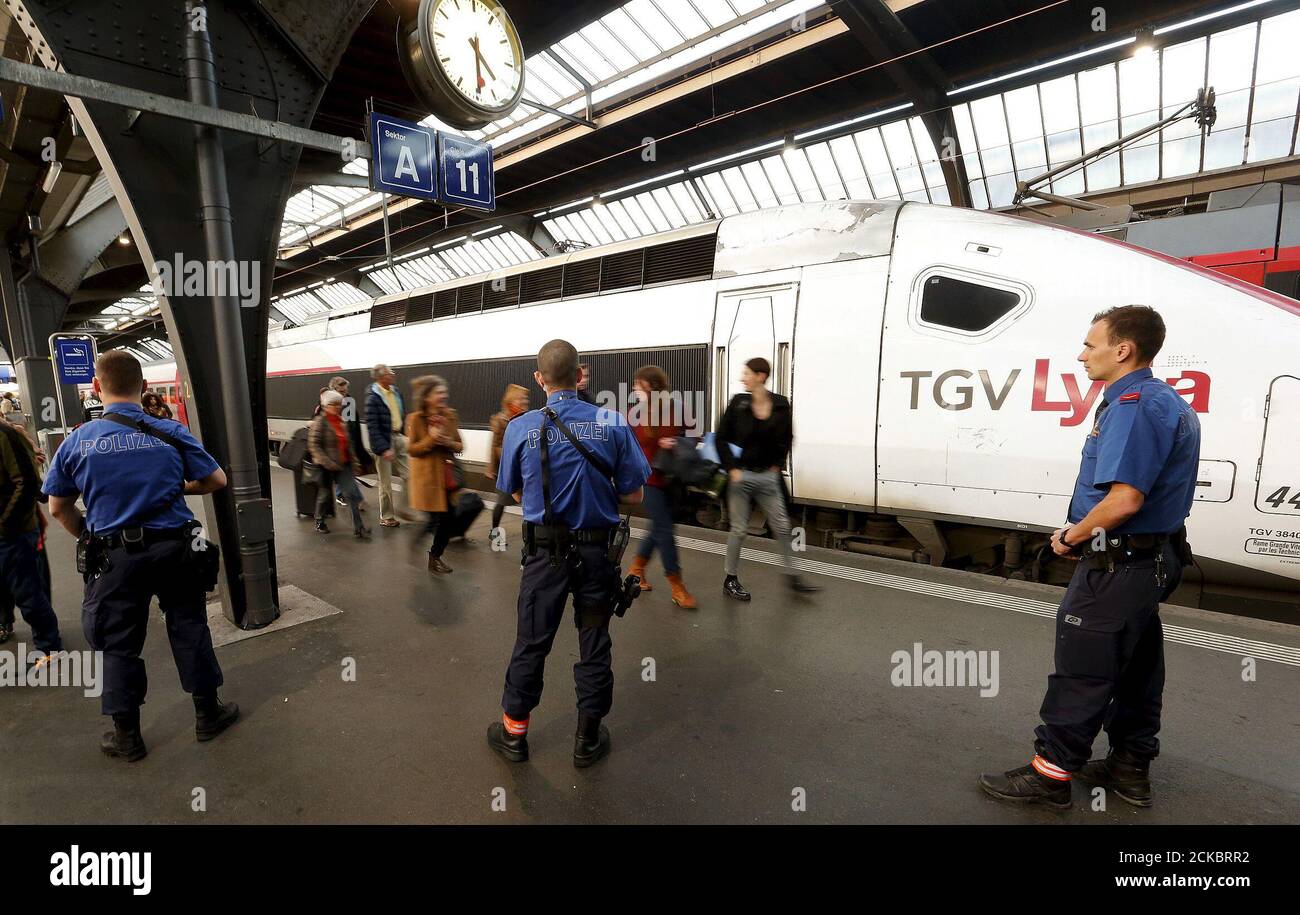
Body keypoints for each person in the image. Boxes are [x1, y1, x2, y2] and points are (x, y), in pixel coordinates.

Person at [980, 305, 1200, 810]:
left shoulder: (1132, 403)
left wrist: (1071, 537)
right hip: (1154, 563)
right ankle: (1130, 769)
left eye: (1089, 344)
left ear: (1121, 349)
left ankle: (1051, 776)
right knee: (1139, 667)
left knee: (1083, 668)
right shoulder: (1167, 400)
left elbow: (1125, 499)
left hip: (1117, 565)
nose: (1081, 355)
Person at [42, 350, 238, 763]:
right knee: (189, 627)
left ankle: (127, 736)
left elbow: (58, 507)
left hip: (114, 560)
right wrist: (176, 489)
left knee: (117, 643)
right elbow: (216, 479)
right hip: (174, 550)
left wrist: (90, 537)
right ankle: (207, 714)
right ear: (144, 386)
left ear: (97, 388)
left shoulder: (78, 440)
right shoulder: (170, 431)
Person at [486, 339, 650, 769]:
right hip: (597, 556)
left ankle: (514, 734)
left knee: (532, 641)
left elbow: (515, 490)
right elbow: (634, 492)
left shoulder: (521, 427)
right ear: (580, 375)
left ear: (540, 380)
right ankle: (586, 740)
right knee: (594, 640)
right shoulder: (611, 422)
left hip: (544, 557)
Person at [716, 357, 818, 600]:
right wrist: (732, 469)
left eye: (747, 373)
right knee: (739, 530)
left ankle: (794, 577)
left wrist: (777, 465)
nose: (743, 378)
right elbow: (720, 438)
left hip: (767, 477)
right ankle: (730, 579)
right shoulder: (738, 404)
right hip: (741, 477)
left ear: (761, 376)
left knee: (782, 526)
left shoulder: (781, 405)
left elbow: (787, 437)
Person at [626, 365, 696, 609]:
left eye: (639, 384)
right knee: (665, 529)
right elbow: (628, 448)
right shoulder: (634, 415)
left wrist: (675, 441)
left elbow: (694, 437)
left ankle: (636, 570)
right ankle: (677, 585)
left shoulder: (677, 409)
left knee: (659, 527)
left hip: (673, 478)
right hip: (648, 480)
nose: (634, 389)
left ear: (652, 387)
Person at [0, 416, 62, 662]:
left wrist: (6, 525)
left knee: (28, 592)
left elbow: (27, 482)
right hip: (11, 530)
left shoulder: (6, 435)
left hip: (13, 533)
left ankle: (48, 646)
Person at [406, 375, 462, 574]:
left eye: (444, 392)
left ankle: (434, 555)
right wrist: (431, 438)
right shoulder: (415, 419)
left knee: (448, 520)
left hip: (446, 479)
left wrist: (447, 442)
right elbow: (412, 450)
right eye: (438, 392)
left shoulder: (450, 416)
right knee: (436, 519)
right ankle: (431, 553)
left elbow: (460, 445)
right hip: (428, 480)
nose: (443, 395)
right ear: (427, 397)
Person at [308, 390, 371, 540]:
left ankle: (359, 528)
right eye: (334, 404)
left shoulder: (340, 421)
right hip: (327, 466)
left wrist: (354, 462)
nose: (338, 407)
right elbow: (314, 445)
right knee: (325, 495)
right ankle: (319, 520)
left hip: (344, 464)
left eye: (339, 404)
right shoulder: (320, 422)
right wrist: (327, 462)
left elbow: (348, 444)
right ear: (326, 405)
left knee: (351, 495)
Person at [365, 364, 414, 528]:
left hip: (398, 436)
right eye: (389, 373)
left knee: (410, 475)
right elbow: (372, 426)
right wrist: (383, 448)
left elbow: (402, 413)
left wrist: (405, 433)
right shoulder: (373, 398)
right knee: (385, 483)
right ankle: (386, 516)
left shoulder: (396, 392)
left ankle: (404, 507)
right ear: (380, 377)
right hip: (384, 442)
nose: (393, 375)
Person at [486, 383, 529, 543]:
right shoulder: (501, 419)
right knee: (502, 501)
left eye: (525, 398)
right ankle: (495, 531)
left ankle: (530, 533)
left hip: (521, 465)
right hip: (506, 467)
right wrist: (493, 468)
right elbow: (494, 446)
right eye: (521, 398)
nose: (525, 401)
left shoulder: (524, 417)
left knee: (526, 501)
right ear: (512, 400)